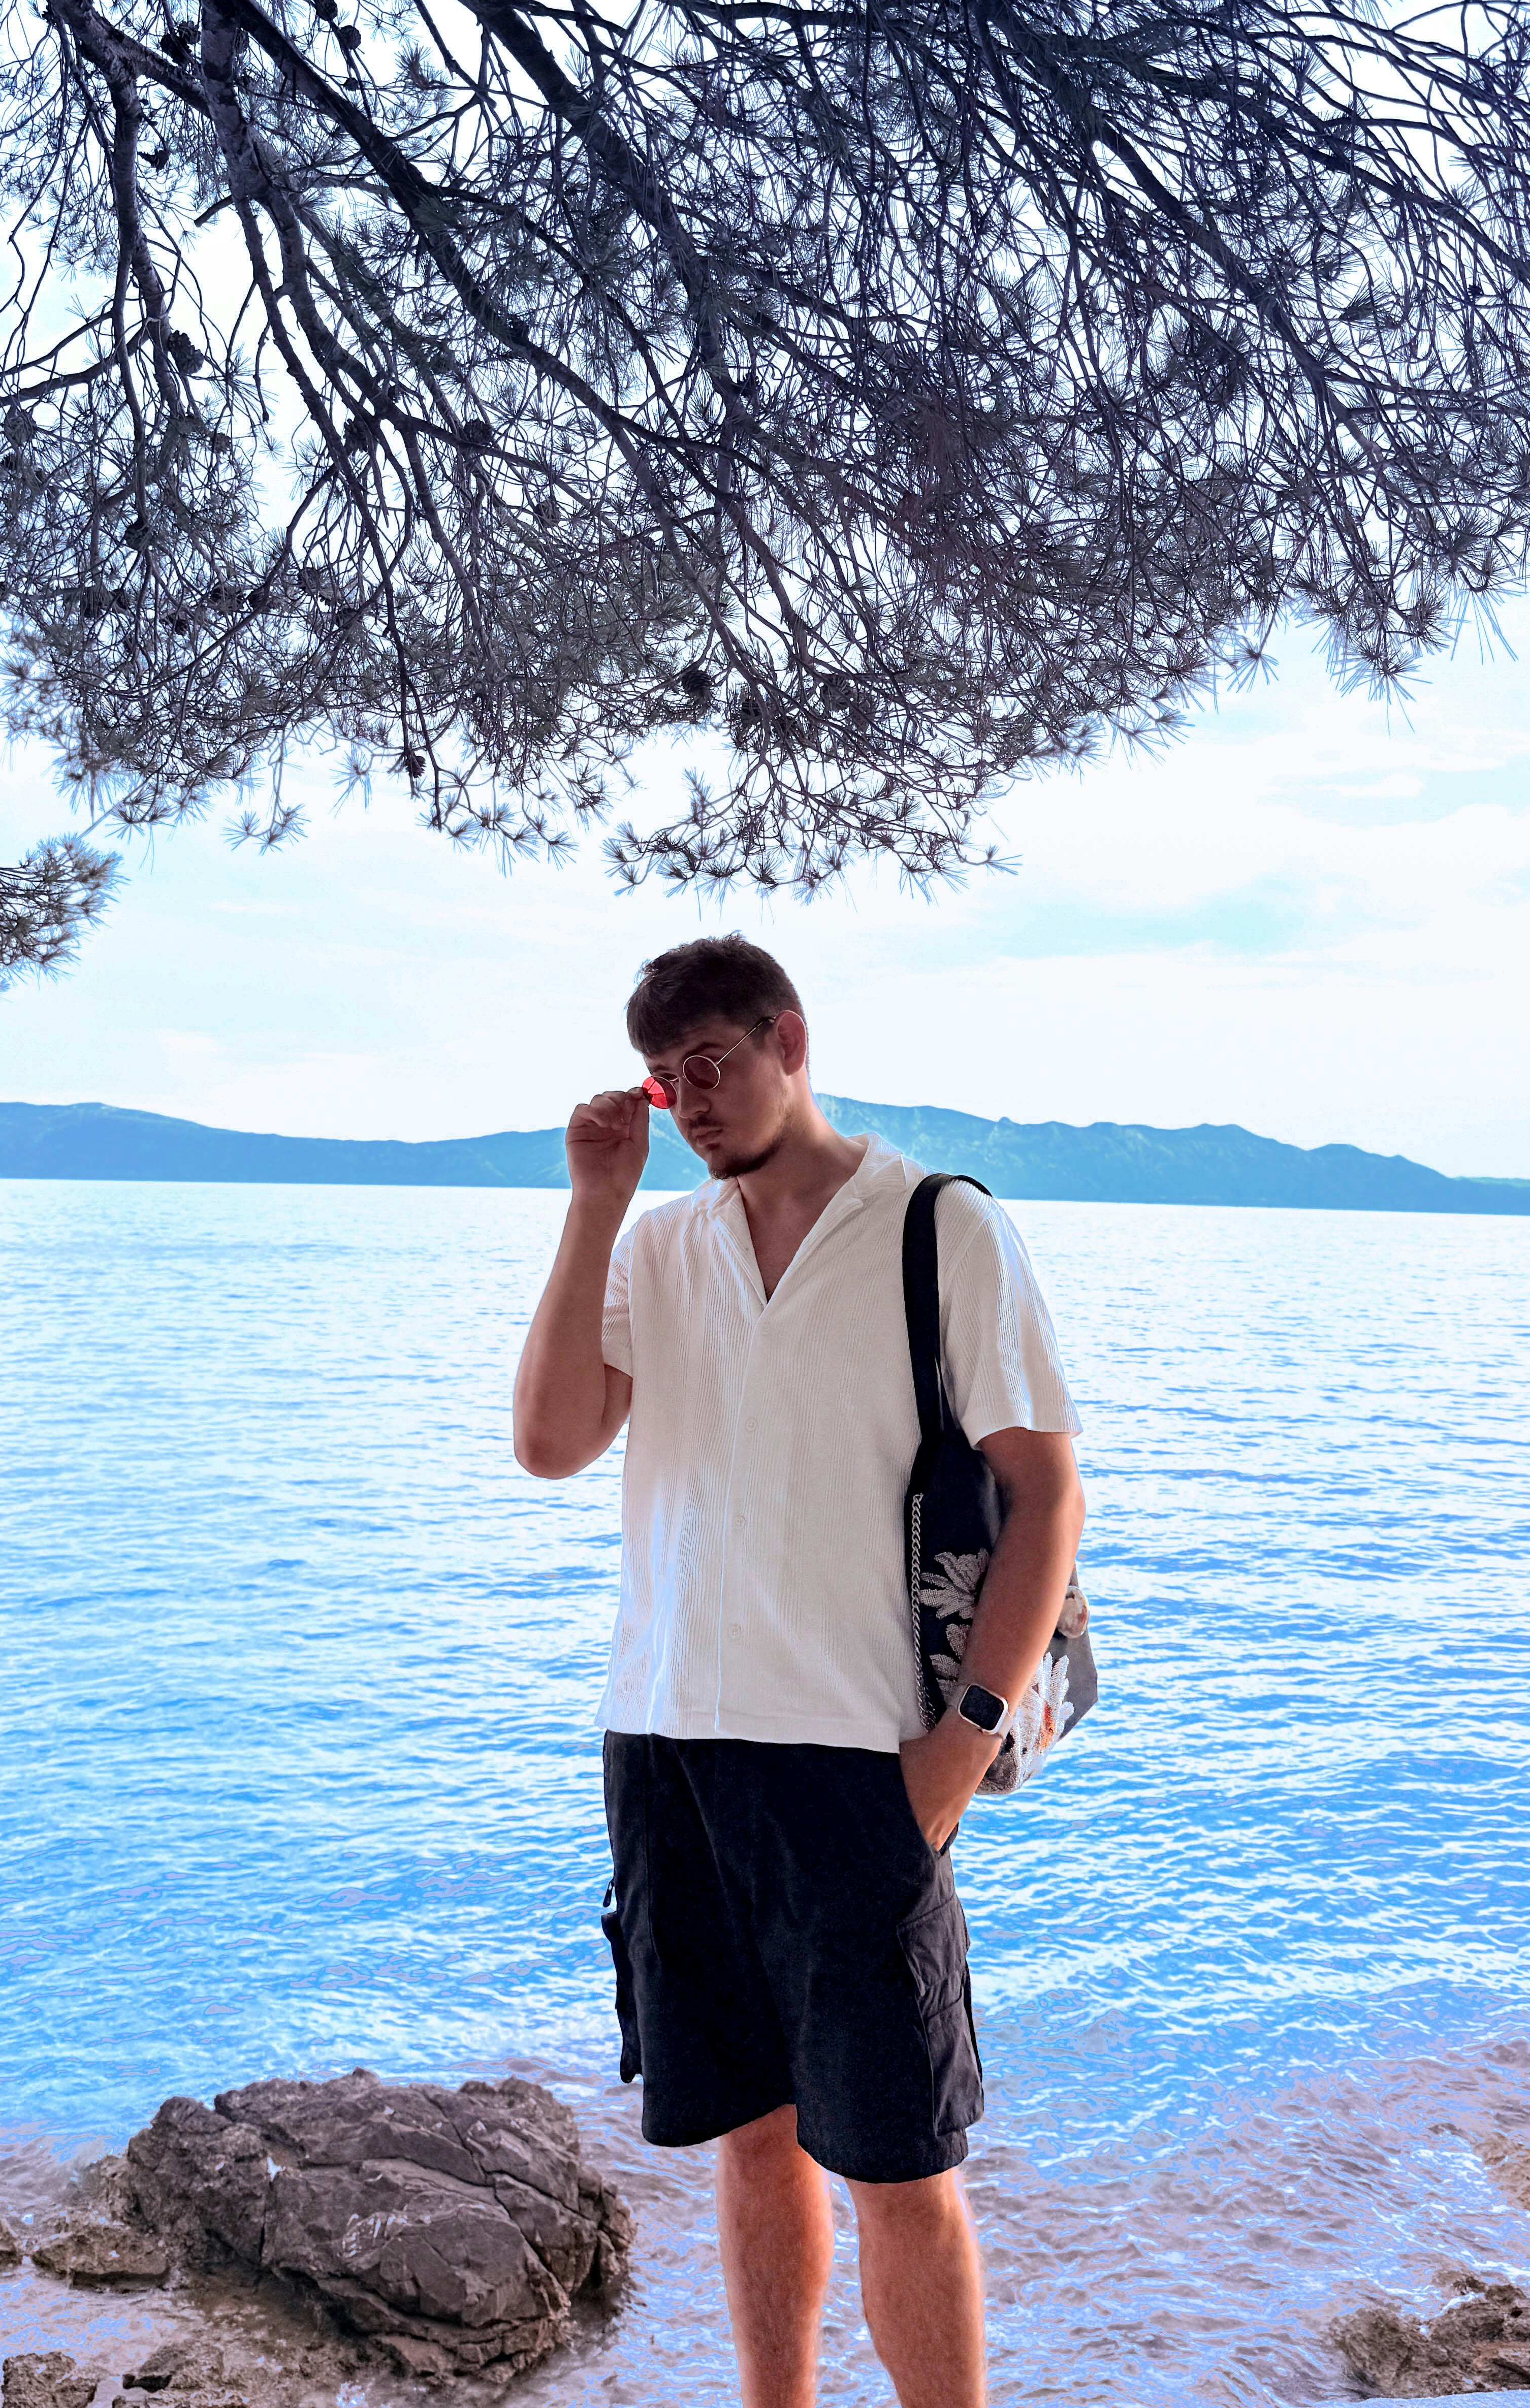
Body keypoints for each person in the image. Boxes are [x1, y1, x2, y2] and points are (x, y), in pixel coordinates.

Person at [511, 935, 1086, 2408]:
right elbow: (553, 1441)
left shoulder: (934, 1226)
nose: (690, 1102)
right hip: (664, 1739)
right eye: (665, 1077)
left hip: (851, 1754)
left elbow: (1045, 1495)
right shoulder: (657, 1242)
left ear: (788, 1041)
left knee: (897, 2154)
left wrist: (961, 1740)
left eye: (712, 1064)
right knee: (747, 2134)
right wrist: (591, 1206)